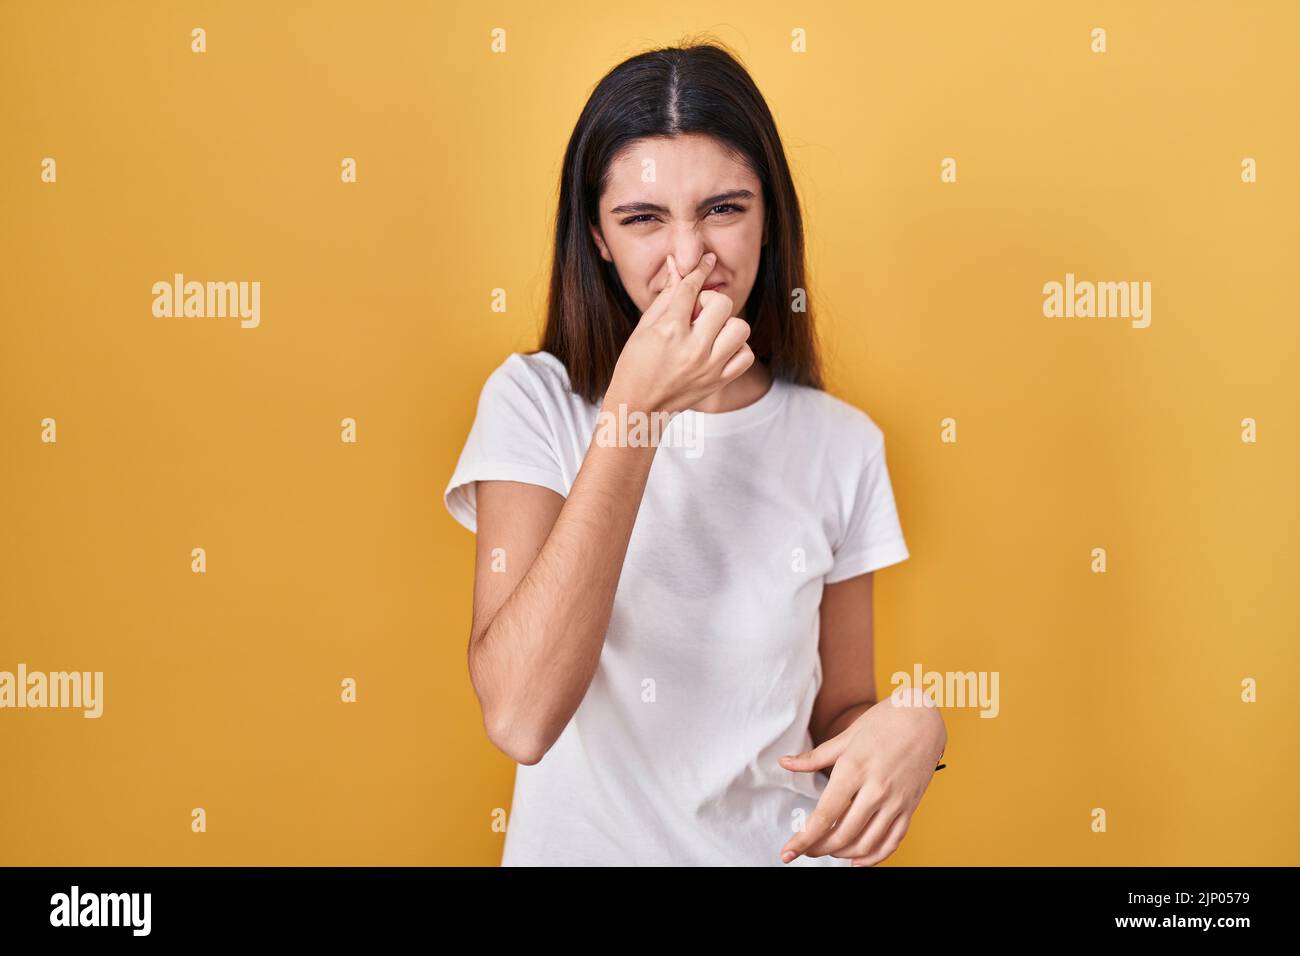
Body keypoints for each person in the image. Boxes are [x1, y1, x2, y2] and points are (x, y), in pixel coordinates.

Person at [444, 39, 946, 866]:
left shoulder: (842, 444)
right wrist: (639, 408)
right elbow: (520, 716)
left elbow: (839, 715)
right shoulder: (533, 404)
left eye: (724, 209)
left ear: (768, 218)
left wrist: (918, 727)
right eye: (642, 219)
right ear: (598, 240)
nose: (690, 258)